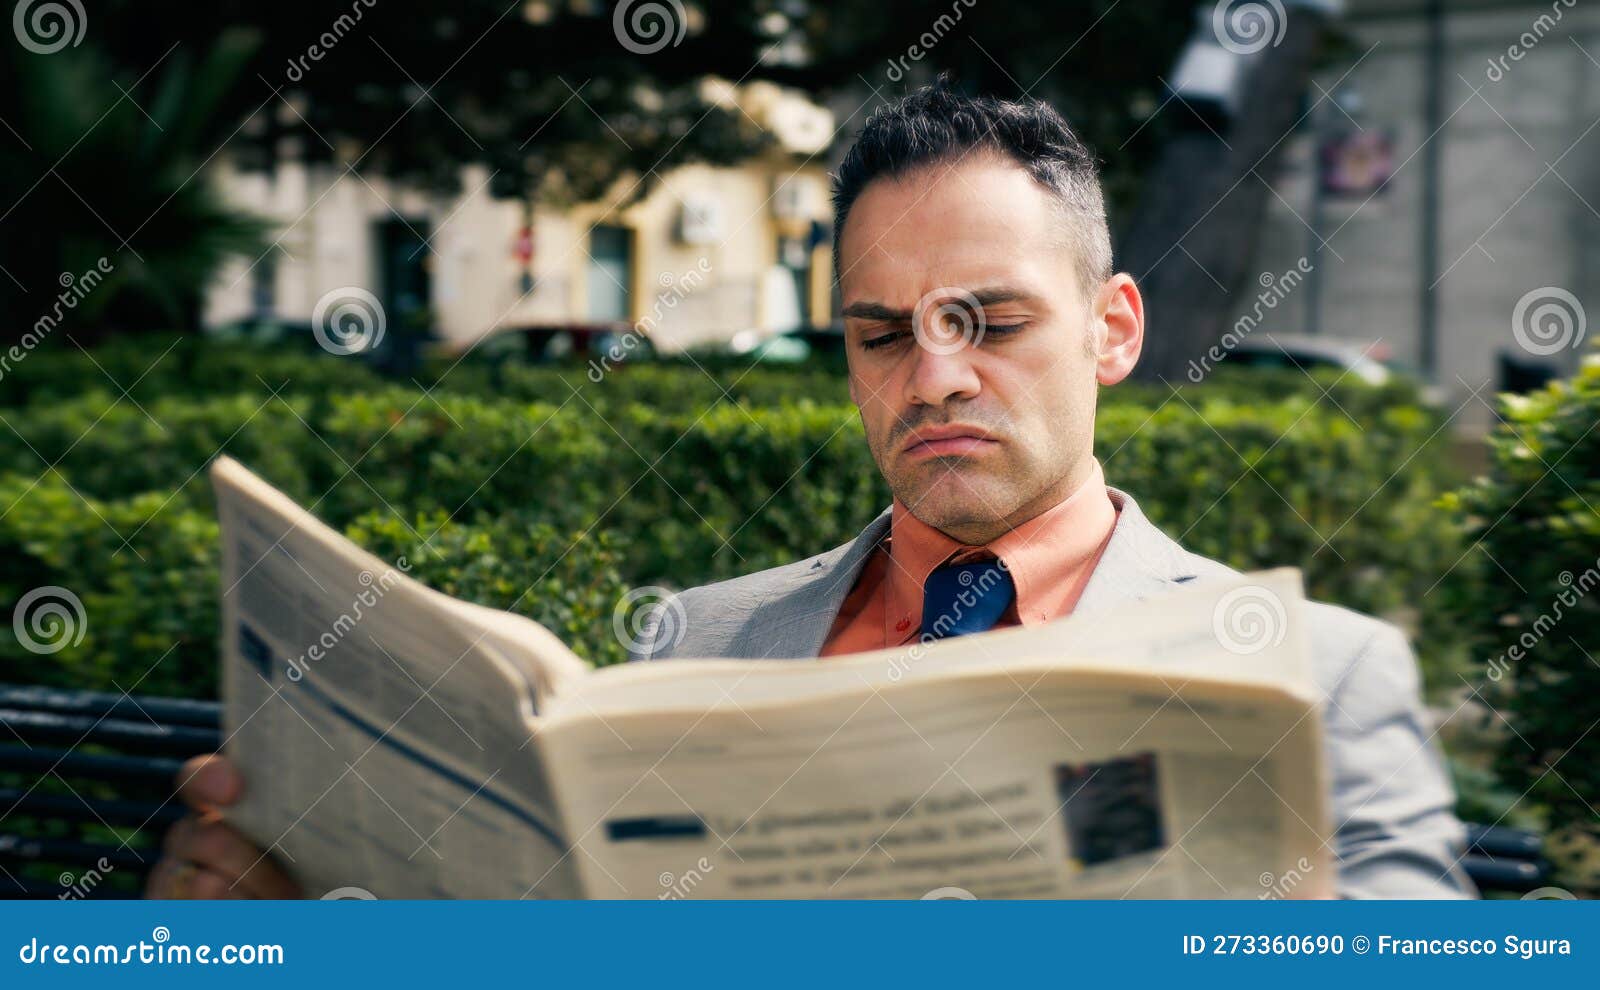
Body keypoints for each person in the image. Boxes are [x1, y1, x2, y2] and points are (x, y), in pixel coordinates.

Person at [148, 83, 1473, 900]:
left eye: (991, 321)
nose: (934, 376)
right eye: (882, 333)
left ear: (1114, 329)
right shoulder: (694, 647)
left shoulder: (1321, 679)